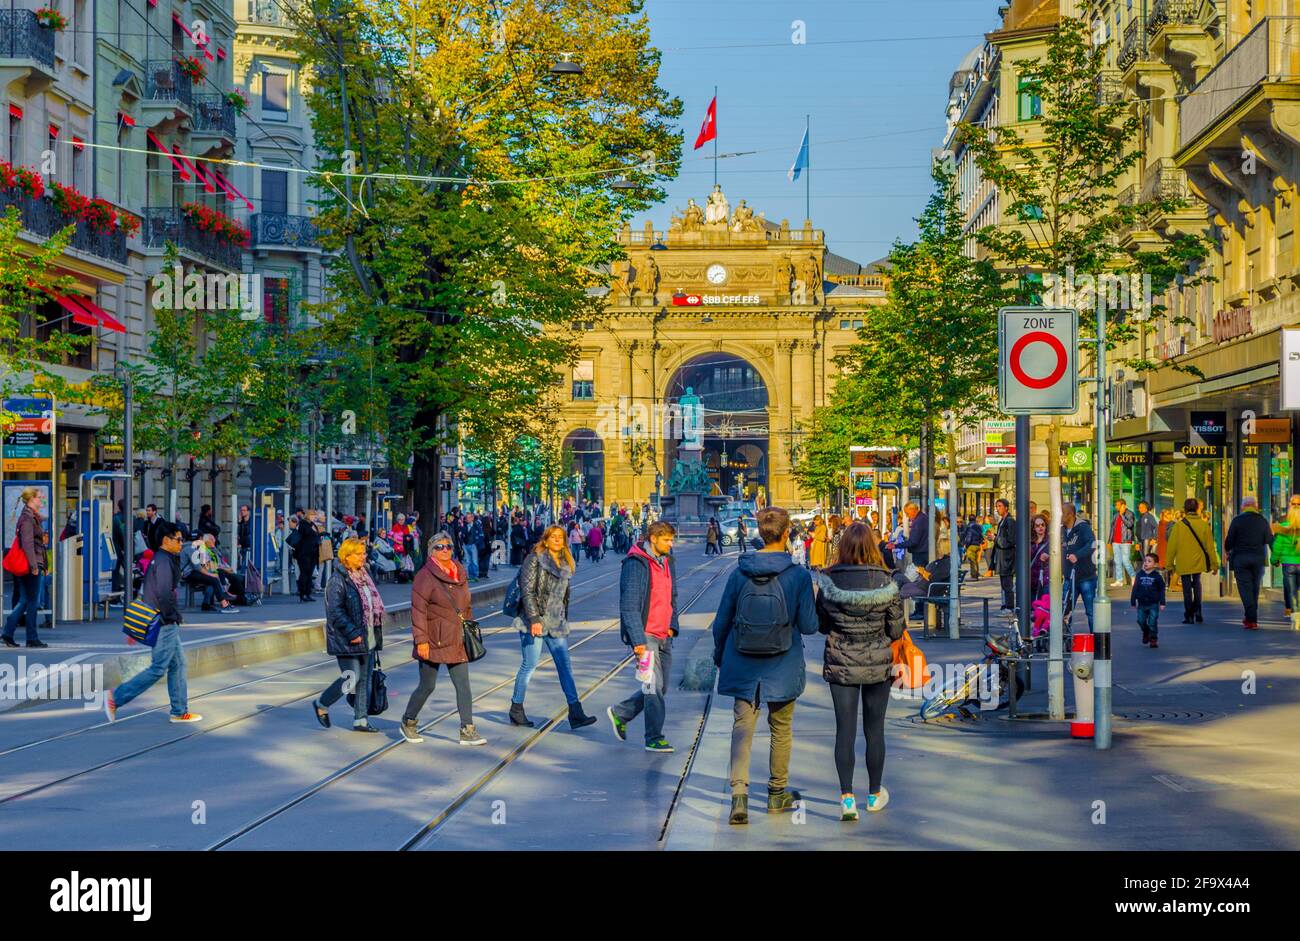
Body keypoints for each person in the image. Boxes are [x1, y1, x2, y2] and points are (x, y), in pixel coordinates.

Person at [711, 506, 818, 825]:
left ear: (759, 533)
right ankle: (776, 795)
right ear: (787, 534)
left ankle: (739, 798)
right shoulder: (798, 575)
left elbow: (721, 622)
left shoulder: (738, 572)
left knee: (742, 728)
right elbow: (810, 625)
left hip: (742, 661)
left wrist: (720, 655)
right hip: (782, 665)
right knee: (781, 728)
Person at [815, 522, 906, 820]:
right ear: (871, 546)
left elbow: (822, 625)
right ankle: (875, 794)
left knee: (845, 730)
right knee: (874, 729)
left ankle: (847, 800)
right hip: (878, 663)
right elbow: (895, 630)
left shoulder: (828, 581)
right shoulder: (887, 583)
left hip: (841, 661)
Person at [105, 522, 201, 723]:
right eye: (178, 539)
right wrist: (171, 617)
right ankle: (117, 697)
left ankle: (179, 711)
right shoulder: (164, 561)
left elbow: (148, 592)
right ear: (166, 540)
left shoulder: (161, 559)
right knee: (158, 668)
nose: (181, 543)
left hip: (164, 620)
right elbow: (164, 594)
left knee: (178, 664)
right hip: (164, 621)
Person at [399, 533, 485, 745]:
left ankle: (467, 729)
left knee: (463, 685)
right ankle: (408, 721)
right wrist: (421, 641)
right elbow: (418, 610)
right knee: (427, 685)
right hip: (433, 639)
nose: (445, 550)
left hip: (457, 637)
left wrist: (469, 628)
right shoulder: (424, 576)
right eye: (439, 547)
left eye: (448, 546)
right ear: (431, 551)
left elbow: (466, 605)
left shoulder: (460, 572)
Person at [509, 525, 599, 730]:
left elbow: (563, 597)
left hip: (556, 623)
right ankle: (516, 708)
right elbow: (528, 590)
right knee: (529, 665)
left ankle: (575, 711)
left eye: (561, 537)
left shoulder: (566, 562)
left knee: (565, 667)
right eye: (554, 537)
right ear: (546, 539)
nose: (558, 540)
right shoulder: (534, 559)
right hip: (535, 621)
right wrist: (534, 620)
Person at [608, 520, 679, 752]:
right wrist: (637, 640)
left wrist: (672, 625)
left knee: (660, 688)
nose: (671, 543)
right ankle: (654, 738)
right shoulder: (636, 563)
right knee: (653, 688)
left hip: (663, 634)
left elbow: (673, 596)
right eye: (667, 539)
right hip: (646, 635)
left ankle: (621, 712)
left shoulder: (668, 561)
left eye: (671, 539)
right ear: (653, 539)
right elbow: (628, 605)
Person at [310, 537, 385, 733]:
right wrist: (352, 632)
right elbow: (335, 611)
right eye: (359, 554)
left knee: (365, 678)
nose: (363, 557)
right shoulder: (337, 580)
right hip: (347, 638)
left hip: (367, 634)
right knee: (352, 677)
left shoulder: (364, 575)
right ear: (347, 556)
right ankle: (322, 703)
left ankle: (361, 719)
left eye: (364, 553)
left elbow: (370, 605)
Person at [2, 487, 49, 648]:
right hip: (30, 565)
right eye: (39, 498)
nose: (41, 500)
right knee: (32, 602)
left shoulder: (30, 517)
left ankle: (8, 633)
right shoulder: (28, 519)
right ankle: (31, 638)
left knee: (24, 600)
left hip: (29, 563)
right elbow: (28, 544)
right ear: (31, 500)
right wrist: (34, 566)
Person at [1165, 497, 1218, 624]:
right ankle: (1198, 611)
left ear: (1185, 509)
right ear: (1197, 509)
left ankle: (1189, 614)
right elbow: (1210, 547)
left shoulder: (1178, 526)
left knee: (1186, 587)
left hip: (1183, 561)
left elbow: (1172, 546)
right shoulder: (1204, 525)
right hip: (1198, 561)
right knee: (1197, 583)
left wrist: (1169, 564)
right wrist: (1214, 564)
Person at [1224, 495, 1273, 631]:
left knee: (1245, 590)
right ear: (1255, 506)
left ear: (1242, 507)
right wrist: (1276, 556)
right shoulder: (1262, 521)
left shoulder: (1237, 521)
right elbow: (1270, 539)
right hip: (1258, 559)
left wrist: (1227, 549)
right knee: (1254, 589)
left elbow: (1229, 541)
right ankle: (1250, 618)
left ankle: (1251, 619)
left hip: (1241, 559)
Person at [1059, 503, 1097, 631]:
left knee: (1091, 612)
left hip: (1086, 577)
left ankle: (1095, 641)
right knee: (1065, 611)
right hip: (1069, 577)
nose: (1060, 516)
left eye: (1062, 513)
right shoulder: (1061, 530)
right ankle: (1065, 639)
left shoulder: (1083, 528)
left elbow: (1092, 543)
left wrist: (1077, 555)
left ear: (1070, 514)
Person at [183, 533, 240, 612]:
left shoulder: (200, 548)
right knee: (213, 579)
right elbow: (198, 567)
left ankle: (206, 604)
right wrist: (211, 574)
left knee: (216, 575)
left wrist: (214, 571)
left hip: (196, 571)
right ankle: (224, 604)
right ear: (200, 538)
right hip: (189, 574)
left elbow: (206, 563)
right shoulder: (191, 548)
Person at [1272, 496, 1300, 630]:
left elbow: (1277, 546)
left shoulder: (1283, 528)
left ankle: (1296, 617)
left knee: (1292, 591)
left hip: (1288, 564)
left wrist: (1274, 560)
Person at [1130, 552, 1167, 648]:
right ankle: (1146, 632)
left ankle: (1153, 638)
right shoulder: (1139, 575)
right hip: (1142, 603)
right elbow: (1135, 588)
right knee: (1140, 620)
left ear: (1155, 565)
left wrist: (1162, 602)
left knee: (1152, 622)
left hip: (1153, 603)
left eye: (1149, 561)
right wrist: (1133, 601)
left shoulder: (1157, 577)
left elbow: (1162, 590)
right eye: (1145, 561)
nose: (1146, 563)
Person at [288, 509, 321, 602]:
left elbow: (315, 537)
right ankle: (302, 594)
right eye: (313, 515)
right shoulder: (303, 524)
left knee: (309, 574)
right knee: (304, 574)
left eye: (315, 515)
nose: (314, 517)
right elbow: (305, 535)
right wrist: (313, 530)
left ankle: (308, 593)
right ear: (308, 516)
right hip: (304, 554)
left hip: (312, 554)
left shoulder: (313, 525)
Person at [990, 498, 1016, 611]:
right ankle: (1005, 605)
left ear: (1006, 507)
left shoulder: (1009, 521)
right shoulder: (1002, 521)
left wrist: (995, 538)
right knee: (1004, 583)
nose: (998, 508)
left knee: (1007, 584)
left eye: (1000, 506)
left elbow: (1010, 540)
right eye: (997, 506)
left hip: (1007, 558)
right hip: (1002, 557)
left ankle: (1009, 606)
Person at [1110, 498, 1137, 587]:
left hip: (1125, 541)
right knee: (1117, 561)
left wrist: (1122, 515)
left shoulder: (1130, 514)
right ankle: (1119, 580)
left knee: (1125, 561)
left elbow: (1130, 524)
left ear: (1123, 505)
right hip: (1116, 541)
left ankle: (1133, 576)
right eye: (1116, 505)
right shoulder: (1115, 515)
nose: (1116, 506)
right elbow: (1112, 528)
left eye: (1117, 505)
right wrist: (1110, 541)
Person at [1028, 514, 1050, 600]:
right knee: (1032, 606)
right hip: (1031, 579)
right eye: (1037, 525)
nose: (1040, 527)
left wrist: (1049, 556)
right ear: (1034, 528)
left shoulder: (1050, 540)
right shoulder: (1030, 541)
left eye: (1042, 525)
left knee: (1043, 606)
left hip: (1045, 578)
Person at [960, 515, 984, 580]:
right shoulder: (979, 526)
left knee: (972, 561)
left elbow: (969, 537)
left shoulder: (969, 526)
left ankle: (974, 575)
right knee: (975, 560)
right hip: (977, 545)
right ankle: (976, 574)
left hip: (971, 545)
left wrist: (966, 545)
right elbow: (981, 536)